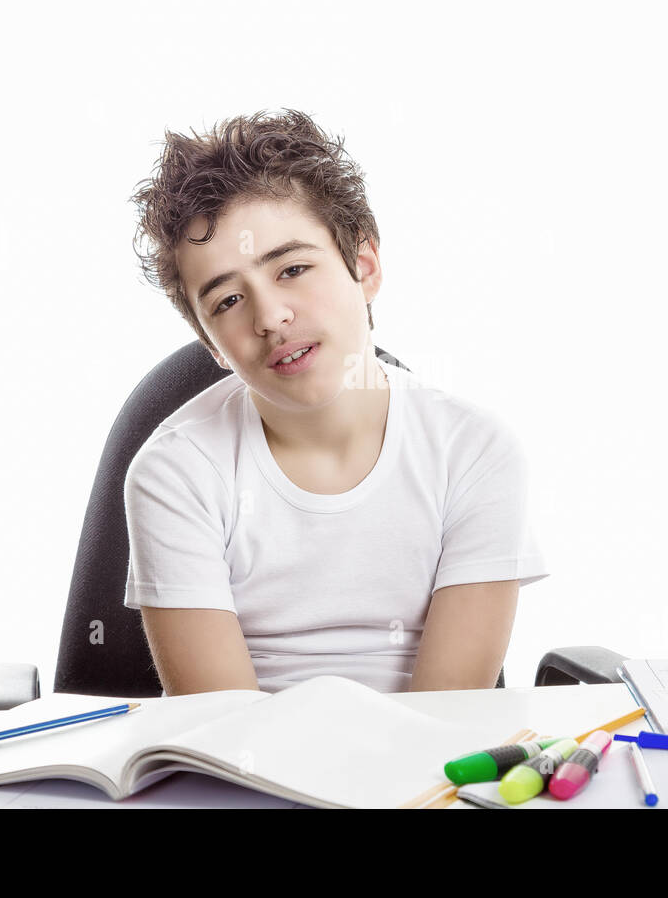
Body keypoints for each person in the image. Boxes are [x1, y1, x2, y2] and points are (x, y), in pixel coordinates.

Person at [125, 108, 548, 695]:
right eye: (226, 303)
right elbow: (221, 732)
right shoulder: (175, 470)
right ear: (210, 344)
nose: (270, 317)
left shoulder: (473, 451)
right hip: (242, 780)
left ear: (365, 265)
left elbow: (446, 719)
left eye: (293, 268)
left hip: (421, 776)